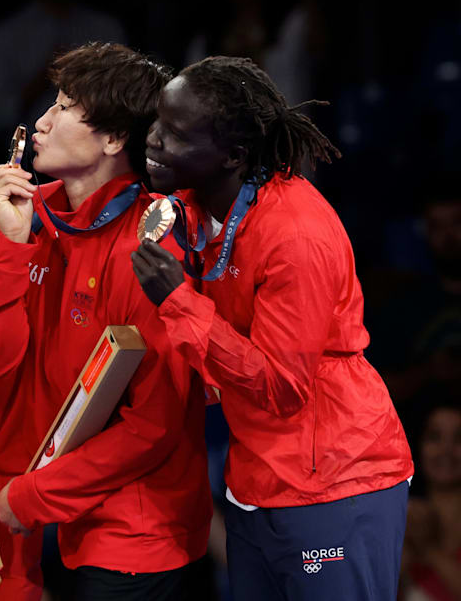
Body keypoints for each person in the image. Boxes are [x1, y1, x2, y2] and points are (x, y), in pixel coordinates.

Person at [133, 55, 414, 601]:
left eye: (176, 133)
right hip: (252, 481)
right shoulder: (189, 206)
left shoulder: (296, 235)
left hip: (335, 482)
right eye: (158, 122)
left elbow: (283, 387)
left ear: (233, 155)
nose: (155, 141)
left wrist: (178, 301)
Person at [0, 42, 212, 601]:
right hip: (39, 512)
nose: (40, 123)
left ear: (113, 138)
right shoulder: (30, 215)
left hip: (133, 531)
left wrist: (35, 496)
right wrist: (9, 244)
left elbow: (153, 425)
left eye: (63, 108)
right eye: (49, 104)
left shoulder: (150, 247)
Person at [400, 396, 461, 601]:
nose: (446, 450)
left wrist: (428, 550)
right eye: (435, 437)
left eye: (459, 438)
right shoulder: (401, 516)